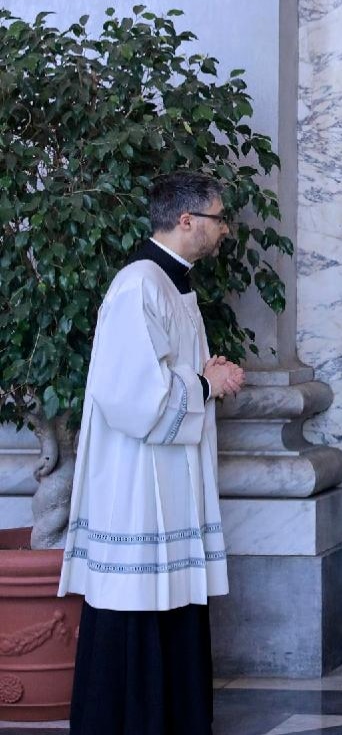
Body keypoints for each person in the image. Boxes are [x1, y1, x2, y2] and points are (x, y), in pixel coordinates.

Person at [63, 172, 247, 735]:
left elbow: (166, 373)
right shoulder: (138, 284)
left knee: (170, 607)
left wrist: (202, 374)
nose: (224, 230)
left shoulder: (174, 284)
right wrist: (206, 383)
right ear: (187, 221)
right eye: (218, 218)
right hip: (137, 483)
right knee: (136, 607)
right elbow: (130, 397)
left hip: (167, 476)